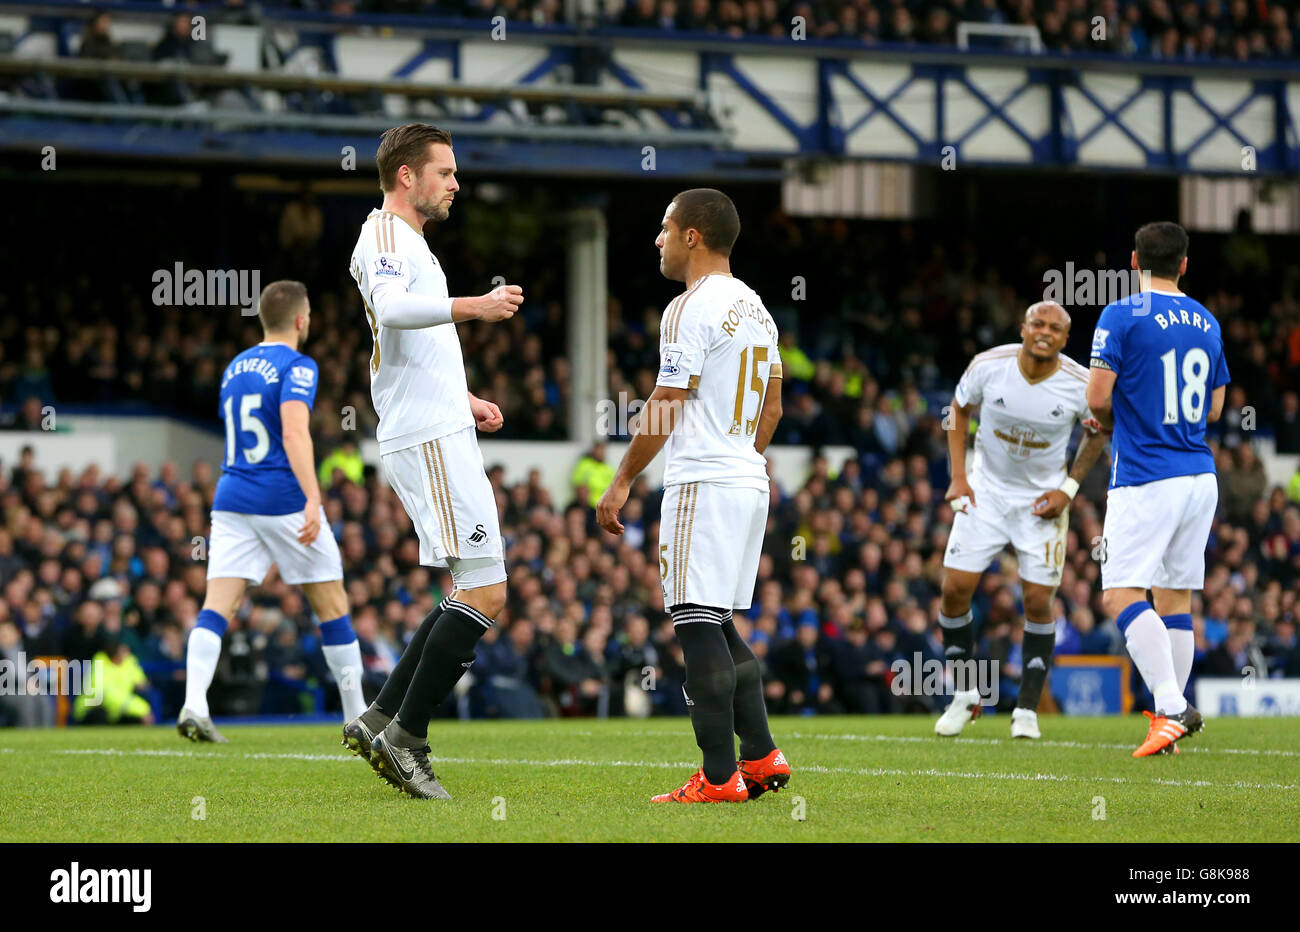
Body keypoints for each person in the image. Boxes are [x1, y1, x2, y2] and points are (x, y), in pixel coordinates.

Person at [342, 123, 522, 800]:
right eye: (443, 172)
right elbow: (390, 310)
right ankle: (405, 738)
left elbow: (409, 345)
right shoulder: (385, 236)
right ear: (406, 177)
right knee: (485, 591)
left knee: (468, 590)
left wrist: (464, 396)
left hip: (438, 422)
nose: (455, 183)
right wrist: (474, 306)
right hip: (426, 436)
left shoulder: (410, 242)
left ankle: (382, 715)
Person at [597, 188, 790, 804]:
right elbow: (775, 405)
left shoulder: (689, 307)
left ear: (691, 236)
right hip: (745, 479)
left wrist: (623, 478)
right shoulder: (758, 308)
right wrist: (744, 459)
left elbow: (666, 404)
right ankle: (759, 757)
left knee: (694, 622)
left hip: (704, 481)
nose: (656, 239)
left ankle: (716, 776)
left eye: (663, 228)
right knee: (718, 623)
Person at [179, 281, 365, 742]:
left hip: (232, 496)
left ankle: (194, 704)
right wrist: (313, 498)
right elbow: (295, 433)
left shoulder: (234, 366)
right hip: (281, 497)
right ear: (302, 320)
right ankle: (358, 715)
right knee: (331, 605)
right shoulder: (299, 365)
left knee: (217, 606)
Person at [933, 302, 1108, 740]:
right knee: (954, 590)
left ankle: (1026, 710)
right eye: (1038, 324)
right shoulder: (989, 365)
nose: (1044, 332)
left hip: (1040, 504)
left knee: (1036, 601)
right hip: (986, 493)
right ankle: (965, 695)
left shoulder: (1078, 383)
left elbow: (1098, 431)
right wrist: (958, 476)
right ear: (1024, 327)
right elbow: (957, 410)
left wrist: (1067, 490)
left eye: (1055, 327)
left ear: (1066, 338)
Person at [1087, 221, 1229, 757]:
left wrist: (1118, 414)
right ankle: (1169, 727)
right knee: (1175, 598)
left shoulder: (1121, 314)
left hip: (1148, 474)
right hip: (1200, 474)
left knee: (1121, 591)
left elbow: (1099, 398)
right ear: (1185, 264)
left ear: (1133, 261)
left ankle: (1169, 707)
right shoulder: (1208, 321)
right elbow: (1215, 408)